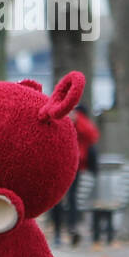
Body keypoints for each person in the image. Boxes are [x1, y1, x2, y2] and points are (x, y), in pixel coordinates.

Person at [50, 103, 99, 246]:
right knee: (56, 200)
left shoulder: (80, 118)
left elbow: (92, 135)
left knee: (71, 198)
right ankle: (58, 232)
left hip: (74, 165)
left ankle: (71, 229)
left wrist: (76, 120)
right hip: (57, 165)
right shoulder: (57, 116)